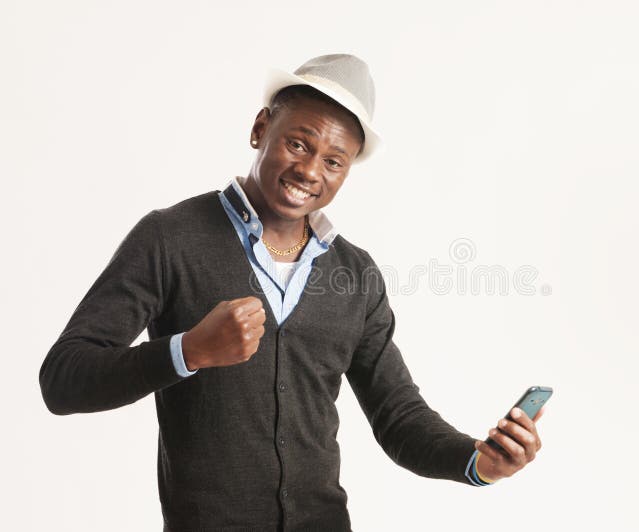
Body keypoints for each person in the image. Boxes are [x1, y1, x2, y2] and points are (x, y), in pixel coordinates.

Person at [39, 53, 545, 531]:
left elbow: (399, 416)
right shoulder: (170, 239)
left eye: (334, 161)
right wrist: (188, 350)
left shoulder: (354, 273)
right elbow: (63, 379)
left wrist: (478, 461)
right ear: (261, 129)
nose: (309, 171)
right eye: (299, 144)